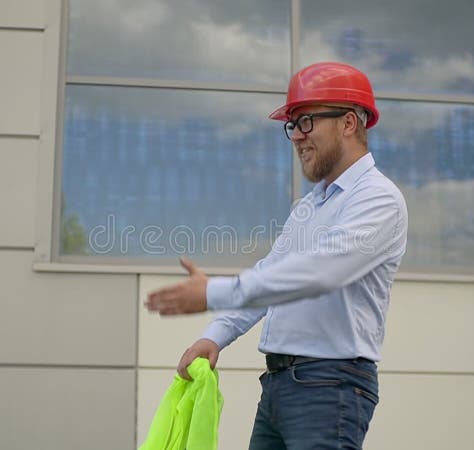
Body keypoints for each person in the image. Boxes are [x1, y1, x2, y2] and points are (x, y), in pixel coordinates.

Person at [145, 61, 408, 449]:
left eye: (306, 122)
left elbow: (320, 273)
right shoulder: (311, 205)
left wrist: (213, 292)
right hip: (280, 386)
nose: (297, 137)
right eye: (293, 126)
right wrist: (215, 336)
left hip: (329, 386)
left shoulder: (378, 199)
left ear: (349, 123)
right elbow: (273, 273)